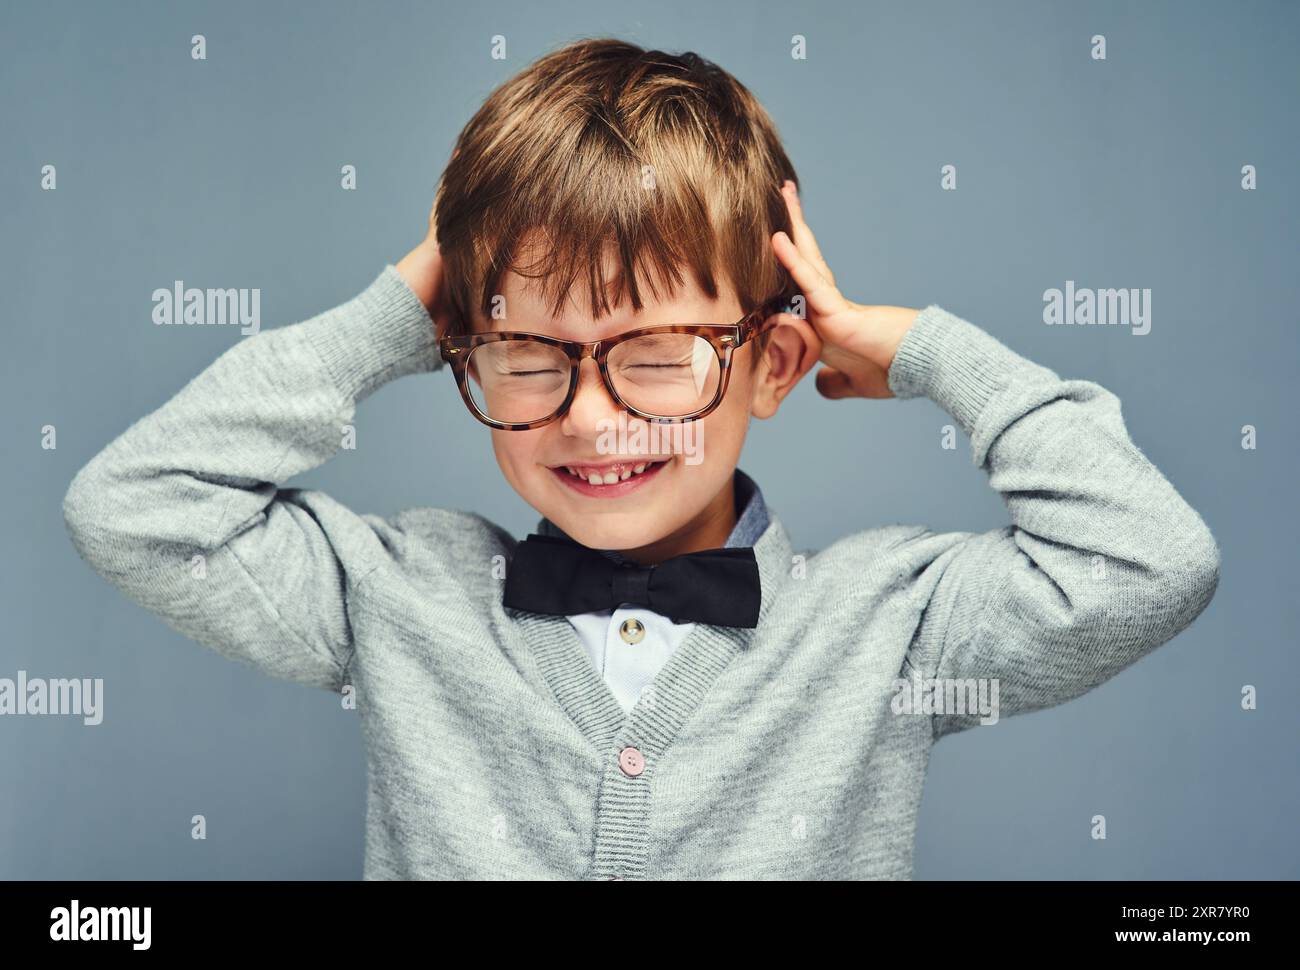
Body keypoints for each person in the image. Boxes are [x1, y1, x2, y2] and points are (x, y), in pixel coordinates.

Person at [62, 38, 1220, 880]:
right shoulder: (398, 599)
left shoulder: (892, 628)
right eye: (530, 354)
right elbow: (135, 507)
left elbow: (1150, 561)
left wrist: (929, 351)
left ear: (772, 364)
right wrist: (397, 314)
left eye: (656, 355)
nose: (591, 416)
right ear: (461, 348)